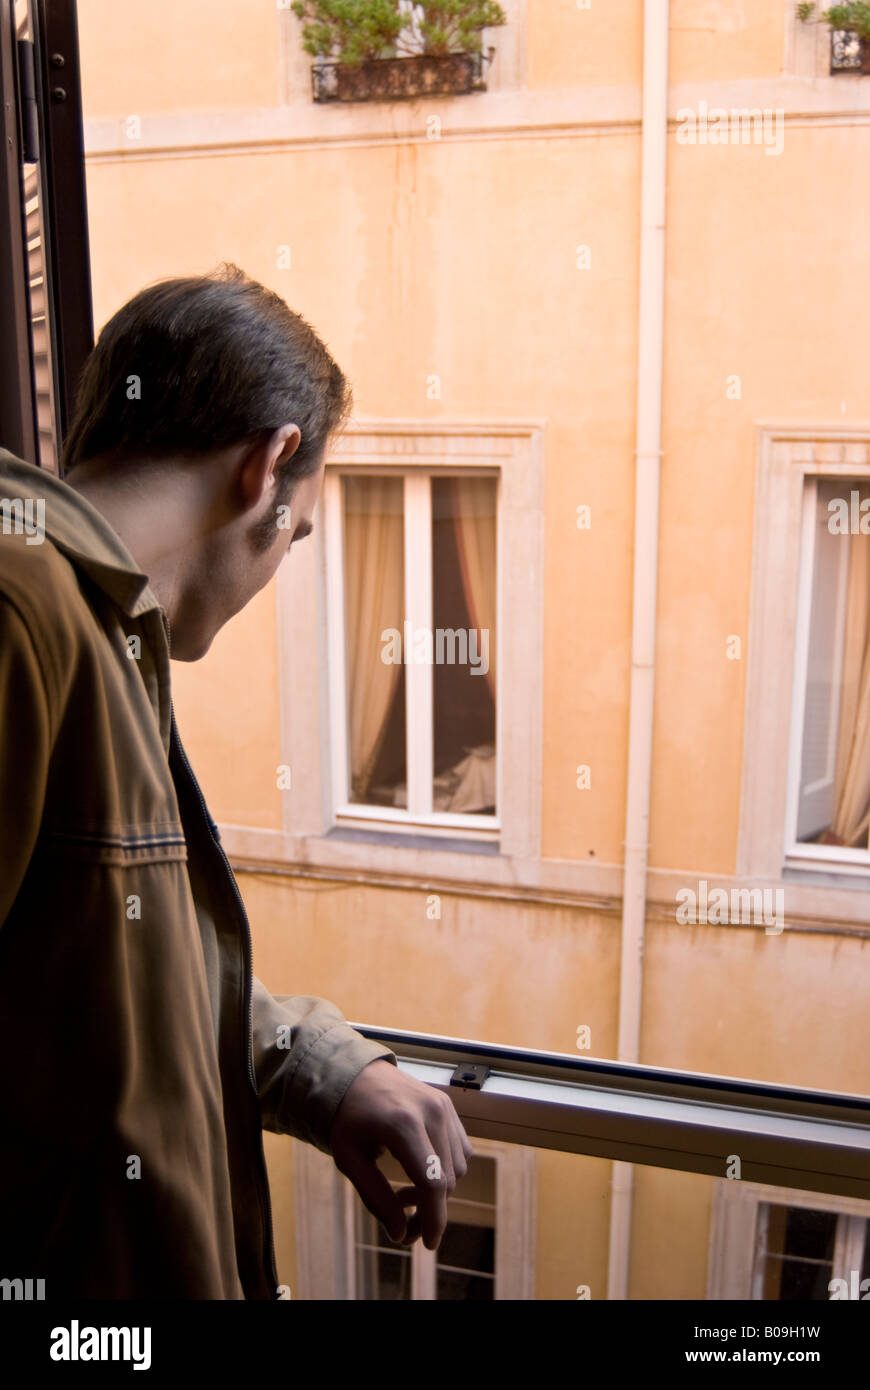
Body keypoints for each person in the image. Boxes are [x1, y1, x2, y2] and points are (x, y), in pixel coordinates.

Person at [0, 264, 472, 1299]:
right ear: (270, 465)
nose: (278, 567)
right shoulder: (22, 607)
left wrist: (323, 1067)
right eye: (298, 538)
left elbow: (111, 980)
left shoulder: (93, 627)